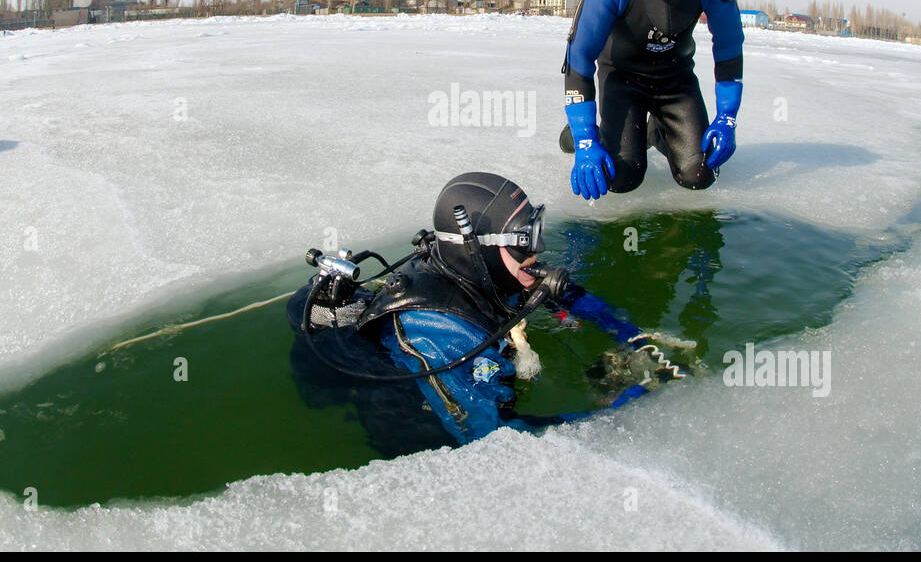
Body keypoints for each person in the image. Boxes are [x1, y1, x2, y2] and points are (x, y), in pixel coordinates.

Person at [287, 172, 681, 456]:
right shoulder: (437, 333)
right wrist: (622, 410)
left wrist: (630, 335)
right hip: (427, 429)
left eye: (535, 232)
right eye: (524, 241)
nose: (537, 252)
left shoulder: (482, 270)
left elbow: (558, 288)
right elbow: (496, 441)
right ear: (480, 248)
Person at [560, 0, 745, 199]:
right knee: (620, 177)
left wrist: (727, 117)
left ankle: (656, 130)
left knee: (700, 174)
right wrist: (584, 138)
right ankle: (583, 131)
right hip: (623, 78)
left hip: (676, 80)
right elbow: (578, 59)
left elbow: (730, 49)